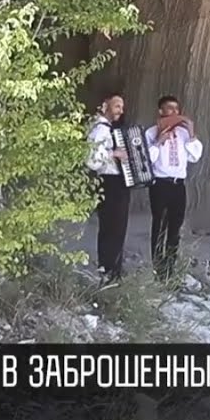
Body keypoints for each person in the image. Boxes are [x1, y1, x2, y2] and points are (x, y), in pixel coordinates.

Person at [144, 95, 204, 284]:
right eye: (169, 108)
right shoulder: (151, 132)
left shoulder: (184, 133)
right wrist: (159, 141)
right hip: (160, 184)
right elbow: (147, 159)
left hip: (179, 185)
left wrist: (192, 132)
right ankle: (158, 270)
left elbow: (195, 156)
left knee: (175, 228)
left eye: (176, 109)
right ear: (161, 112)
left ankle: (170, 270)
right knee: (159, 226)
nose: (174, 113)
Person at [85, 92, 130, 287]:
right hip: (109, 182)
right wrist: (114, 154)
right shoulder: (100, 130)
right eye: (117, 106)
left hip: (117, 183)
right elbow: (91, 160)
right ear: (105, 106)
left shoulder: (109, 129)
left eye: (122, 106)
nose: (121, 110)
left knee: (116, 229)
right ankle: (109, 273)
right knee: (112, 229)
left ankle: (112, 272)